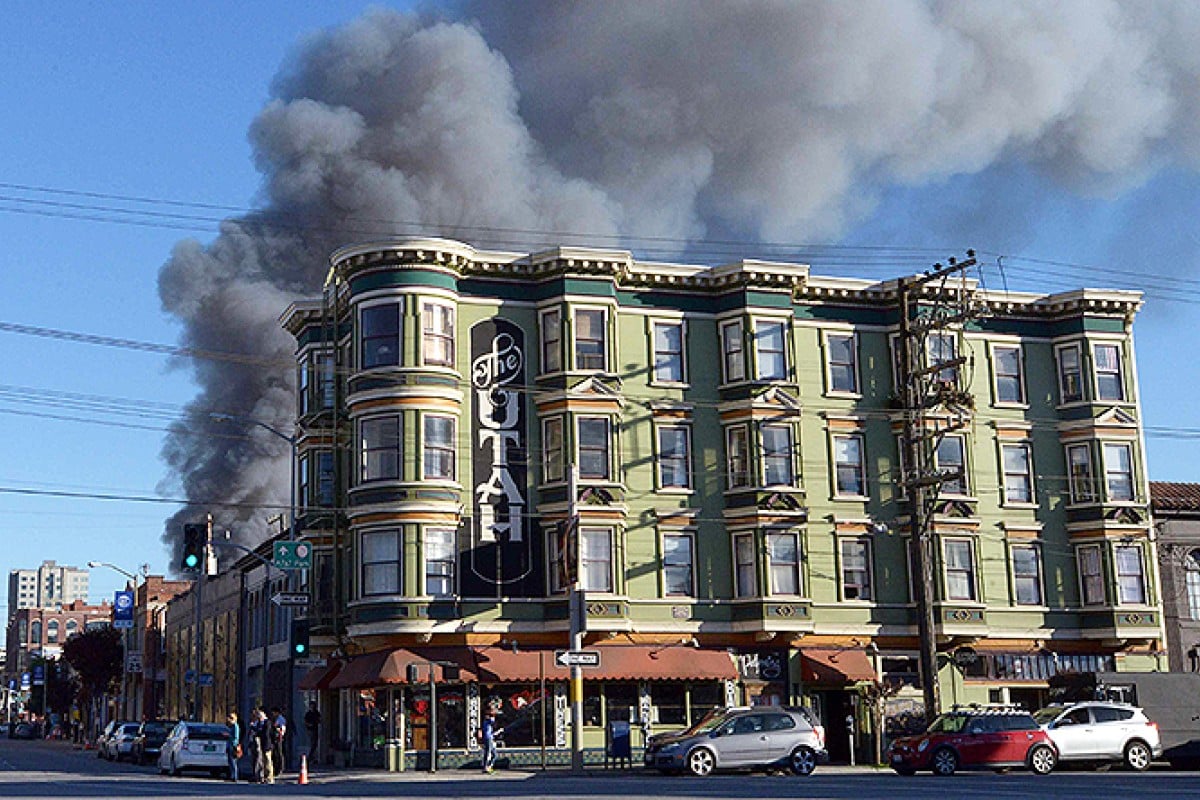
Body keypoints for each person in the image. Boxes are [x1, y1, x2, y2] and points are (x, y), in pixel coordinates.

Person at [249, 709, 272, 784]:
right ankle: (262, 776)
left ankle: (269, 777)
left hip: (266, 743)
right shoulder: (259, 723)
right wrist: (253, 728)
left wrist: (258, 731)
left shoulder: (267, 722)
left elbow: (266, 733)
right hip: (260, 743)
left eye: (260, 716)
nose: (259, 718)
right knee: (261, 761)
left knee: (268, 761)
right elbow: (257, 731)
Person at [480, 707, 502, 774]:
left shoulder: (487, 722)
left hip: (489, 738)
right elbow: (492, 721)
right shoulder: (488, 721)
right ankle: (486, 767)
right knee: (489, 753)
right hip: (488, 738)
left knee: (493, 754)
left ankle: (488, 767)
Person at [271, 707, 287, 775]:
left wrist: (277, 728)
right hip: (275, 737)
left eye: (274, 713)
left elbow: (282, 728)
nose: (273, 714)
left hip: (279, 737)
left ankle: (280, 768)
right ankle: (276, 768)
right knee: (275, 753)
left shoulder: (281, 719)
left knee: (279, 753)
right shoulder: (276, 719)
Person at [226, 711, 241, 782]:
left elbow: (236, 737)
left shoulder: (235, 726)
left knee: (233, 762)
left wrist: (234, 745)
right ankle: (232, 775)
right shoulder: (231, 726)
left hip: (233, 745)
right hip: (229, 744)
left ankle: (235, 776)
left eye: (230, 718)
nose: (229, 720)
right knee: (230, 761)